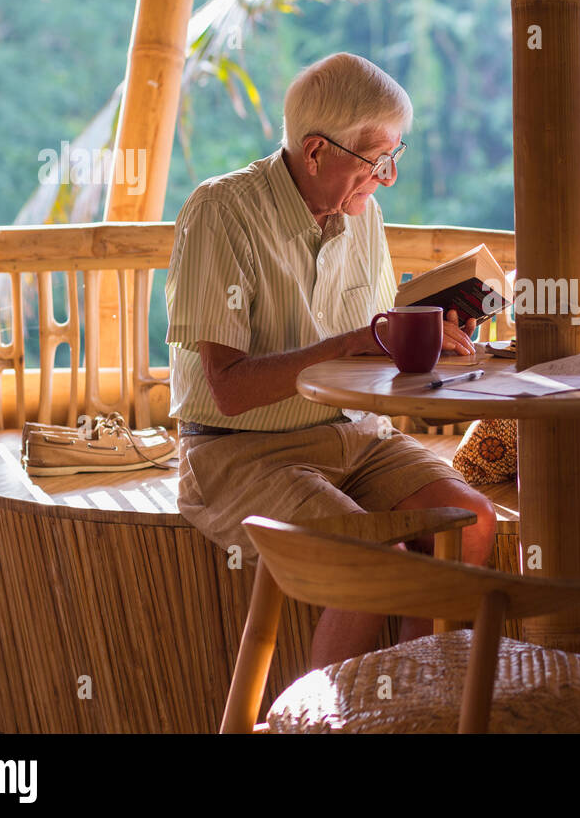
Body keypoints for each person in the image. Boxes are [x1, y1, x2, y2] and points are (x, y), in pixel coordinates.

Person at [166, 52, 497, 667]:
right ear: (315, 151)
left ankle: (408, 709)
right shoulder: (221, 213)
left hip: (357, 438)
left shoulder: (362, 214)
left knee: (471, 520)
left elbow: (373, 350)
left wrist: (433, 340)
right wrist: (347, 344)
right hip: (239, 451)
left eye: (396, 157)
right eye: (378, 160)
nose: (388, 177)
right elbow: (229, 391)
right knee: (375, 562)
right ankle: (320, 720)